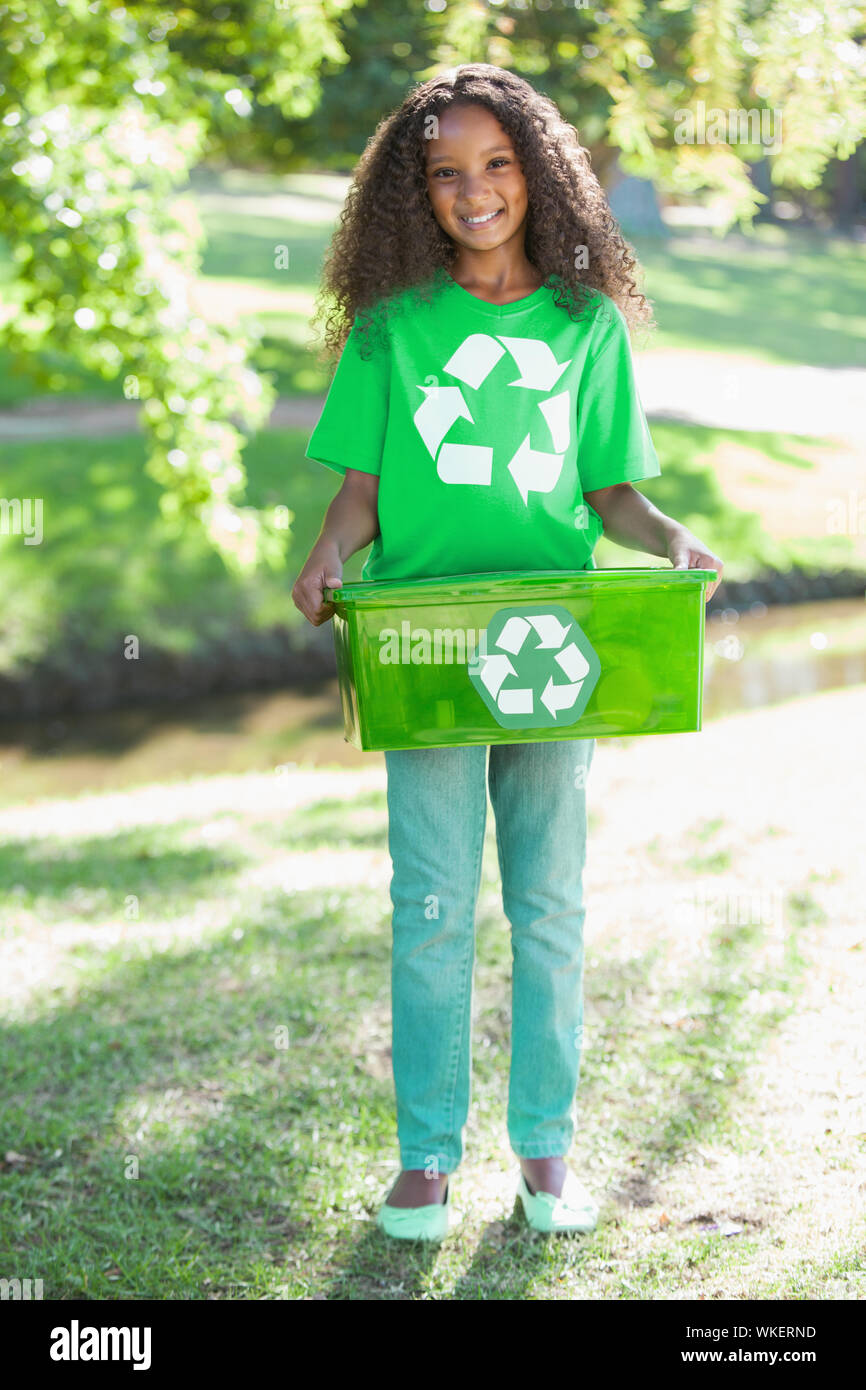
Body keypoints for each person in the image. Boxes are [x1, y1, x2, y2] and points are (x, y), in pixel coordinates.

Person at [292, 64, 723, 1241]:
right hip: (423, 643)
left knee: (548, 904)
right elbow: (359, 497)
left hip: (552, 642)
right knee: (429, 905)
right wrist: (330, 556)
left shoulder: (586, 326)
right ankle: (425, 1160)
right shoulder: (390, 327)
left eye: (495, 165)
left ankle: (545, 1155)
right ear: (412, 192)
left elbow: (611, 491)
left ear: (537, 173)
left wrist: (669, 534)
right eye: (444, 173)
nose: (473, 192)